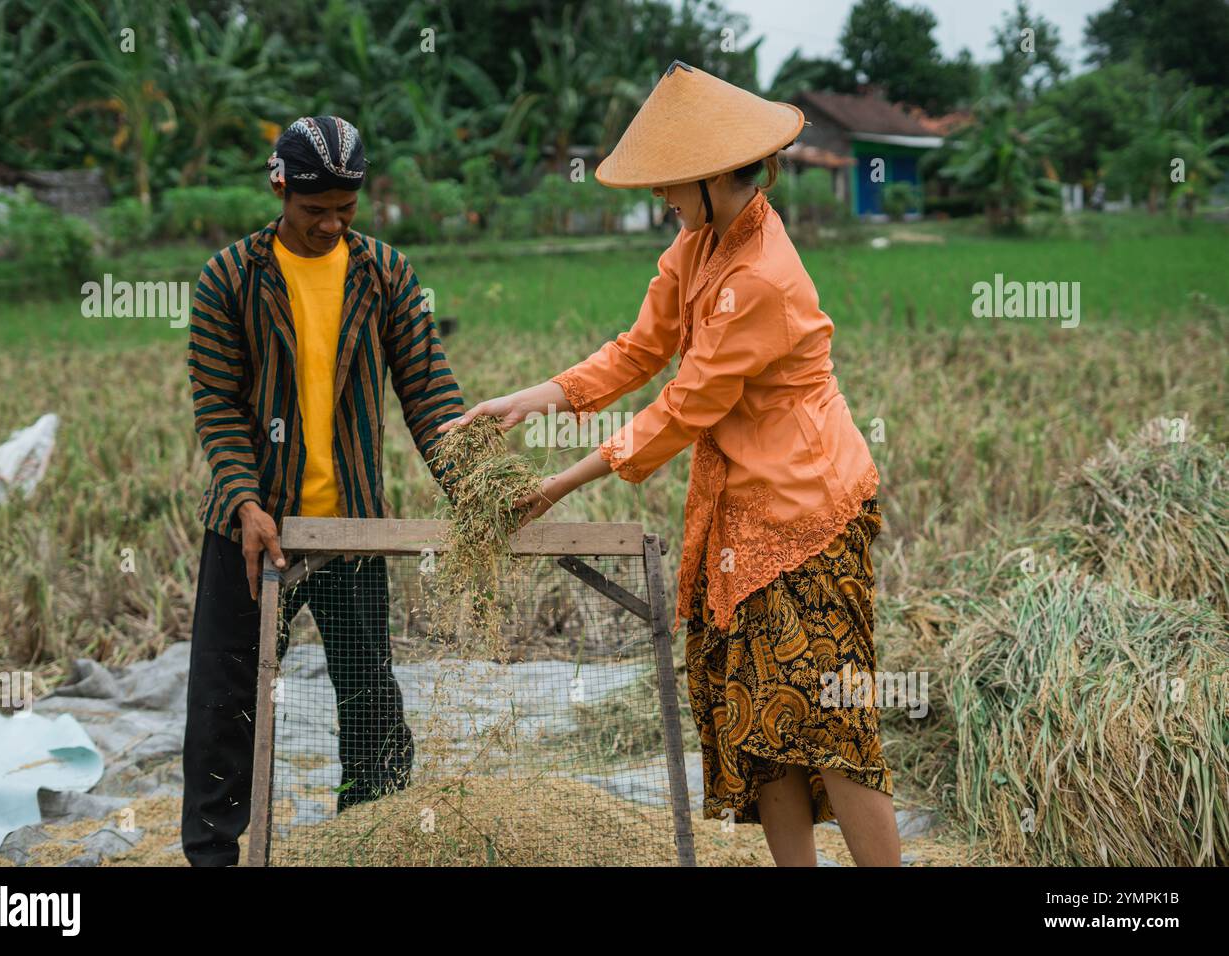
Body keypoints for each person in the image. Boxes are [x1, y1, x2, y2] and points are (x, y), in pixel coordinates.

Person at [442, 62, 900, 866]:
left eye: (671, 183)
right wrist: (531, 399)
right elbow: (638, 350)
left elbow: (682, 409)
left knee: (833, 726)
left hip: (809, 516)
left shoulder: (761, 276)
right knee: (761, 725)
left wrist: (551, 488)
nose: (660, 199)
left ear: (719, 178)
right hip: (740, 520)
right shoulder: (696, 248)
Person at [182, 115, 465, 866]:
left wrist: (472, 485)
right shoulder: (230, 278)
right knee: (225, 703)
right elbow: (216, 403)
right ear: (280, 187)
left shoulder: (385, 273)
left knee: (371, 699)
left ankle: (368, 842)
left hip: (351, 531)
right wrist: (247, 502)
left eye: (346, 209)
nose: (331, 225)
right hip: (253, 534)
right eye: (316, 211)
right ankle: (212, 854)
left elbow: (429, 393)